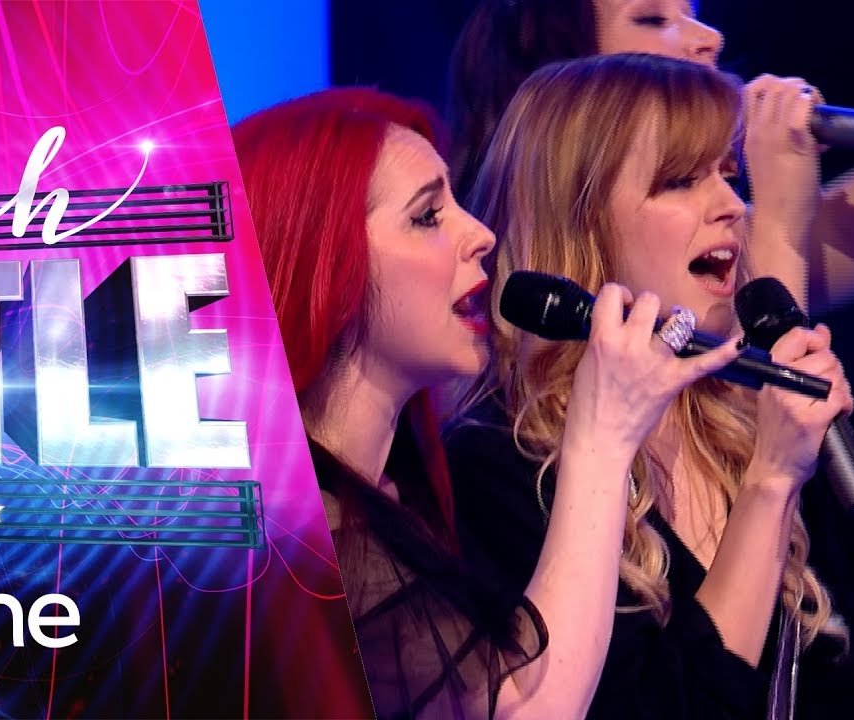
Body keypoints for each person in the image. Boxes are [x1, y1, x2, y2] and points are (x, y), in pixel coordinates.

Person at [231, 86, 740, 719]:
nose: (480, 234)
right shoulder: (300, 533)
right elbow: (523, 709)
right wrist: (603, 438)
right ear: (323, 264)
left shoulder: (399, 495)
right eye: (427, 216)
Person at [448, 53, 854, 718]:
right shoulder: (497, 465)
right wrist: (769, 482)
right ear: (581, 221)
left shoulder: (747, 423)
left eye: (728, 175)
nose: (731, 207)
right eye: (680, 181)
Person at [446, 0, 854, 314]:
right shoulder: (513, 299)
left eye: (722, 176)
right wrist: (778, 227)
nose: (711, 38)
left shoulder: (714, 242)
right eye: (653, 19)